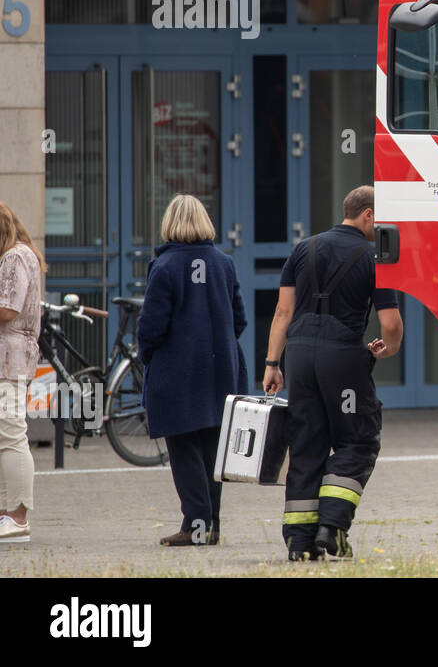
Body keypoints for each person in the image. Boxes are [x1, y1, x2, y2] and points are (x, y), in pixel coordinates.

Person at [263, 185, 402, 561]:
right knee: (357, 441)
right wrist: (389, 347)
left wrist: (273, 364)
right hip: (342, 359)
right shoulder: (375, 257)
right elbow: (389, 323)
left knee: (306, 443)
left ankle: (299, 541)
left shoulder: (302, 249)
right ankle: (332, 528)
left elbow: (282, 313)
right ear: (368, 215)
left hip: (300, 357)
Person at [137, 194, 248, 547]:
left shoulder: (165, 266)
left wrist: (147, 356)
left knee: (183, 450)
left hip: (178, 371)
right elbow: (240, 318)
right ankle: (209, 526)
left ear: (170, 223)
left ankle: (196, 526)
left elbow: (152, 325)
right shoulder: (223, 262)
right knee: (212, 450)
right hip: (220, 370)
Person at [0, 202, 44, 545]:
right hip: (11, 357)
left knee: (11, 436)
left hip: (8, 358)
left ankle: (17, 517)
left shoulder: (14, 257)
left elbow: (8, 308)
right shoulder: (22, 254)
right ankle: (12, 513)